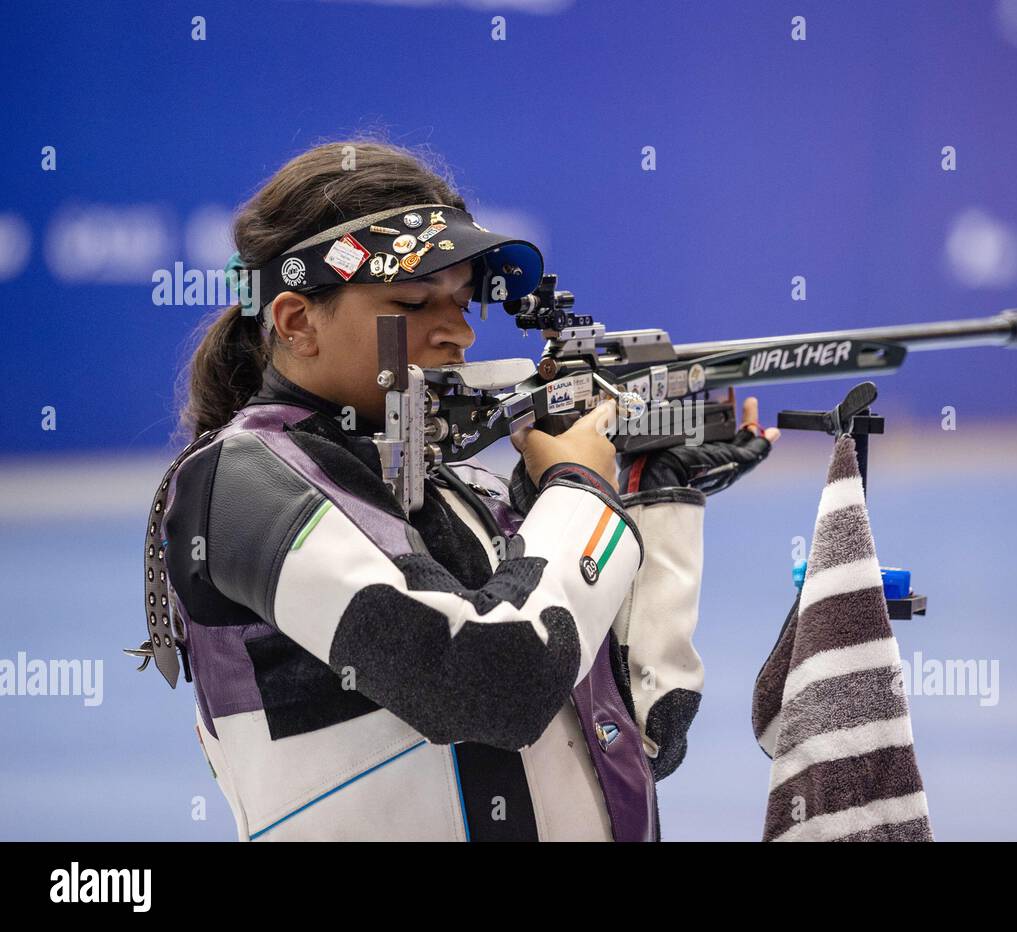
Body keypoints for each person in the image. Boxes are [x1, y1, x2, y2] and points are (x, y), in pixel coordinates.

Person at [146, 140, 779, 841]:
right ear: (297, 321)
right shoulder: (236, 486)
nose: (459, 331)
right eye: (415, 302)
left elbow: (644, 733)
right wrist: (581, 489)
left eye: (464, 300)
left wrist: (648, 499)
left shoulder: (464, 489)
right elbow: (494, 683)